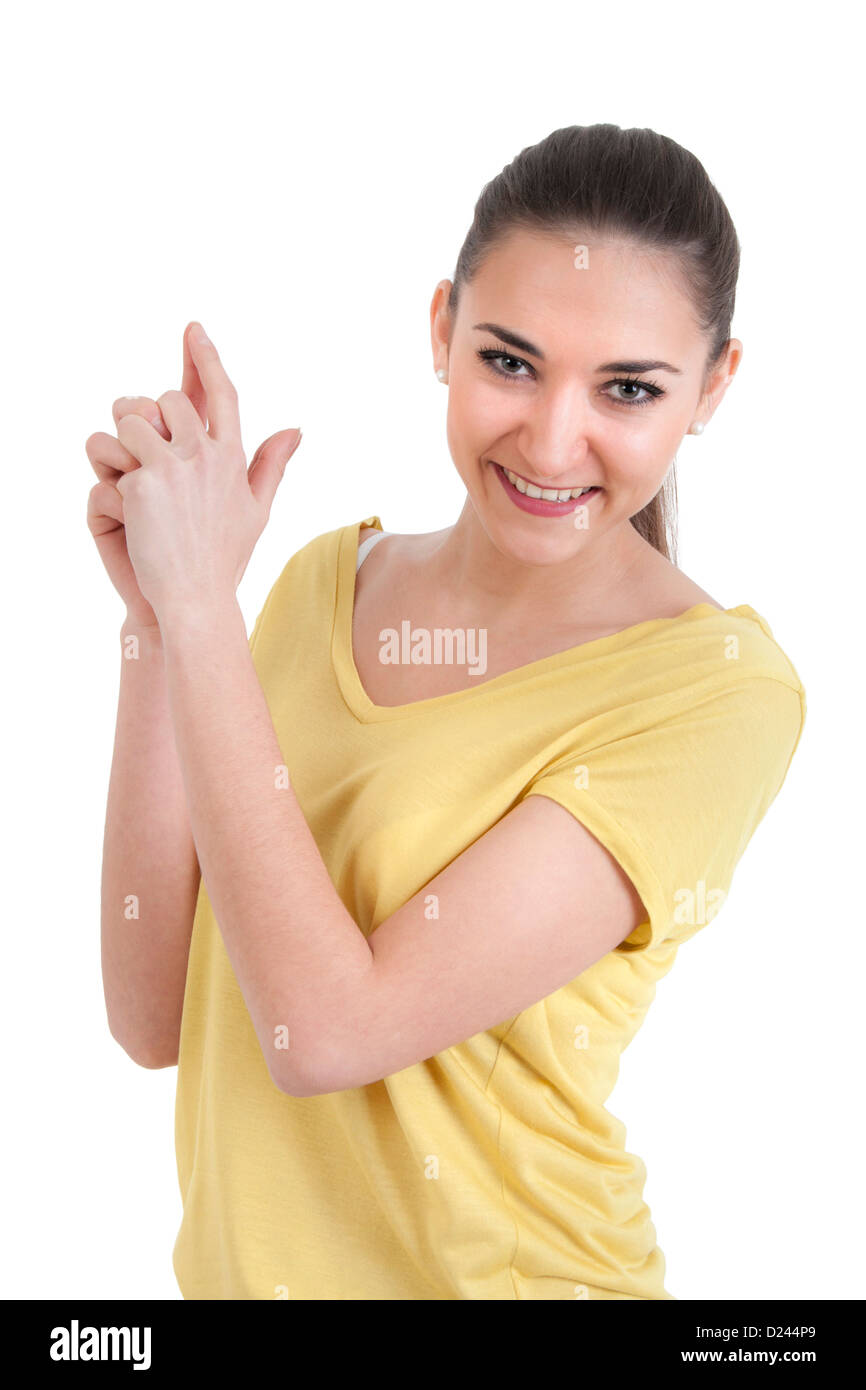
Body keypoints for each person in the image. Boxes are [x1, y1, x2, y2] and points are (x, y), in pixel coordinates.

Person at [88, 123, 807, 1300]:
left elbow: (324, 1032)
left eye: (627, 388)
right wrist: (165, 619)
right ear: (441, 329)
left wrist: (203, 615)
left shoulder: (715, 693)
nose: (550, 438)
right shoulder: (324, 581)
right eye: (508, 362)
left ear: (713, 387)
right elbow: (156, 1011)